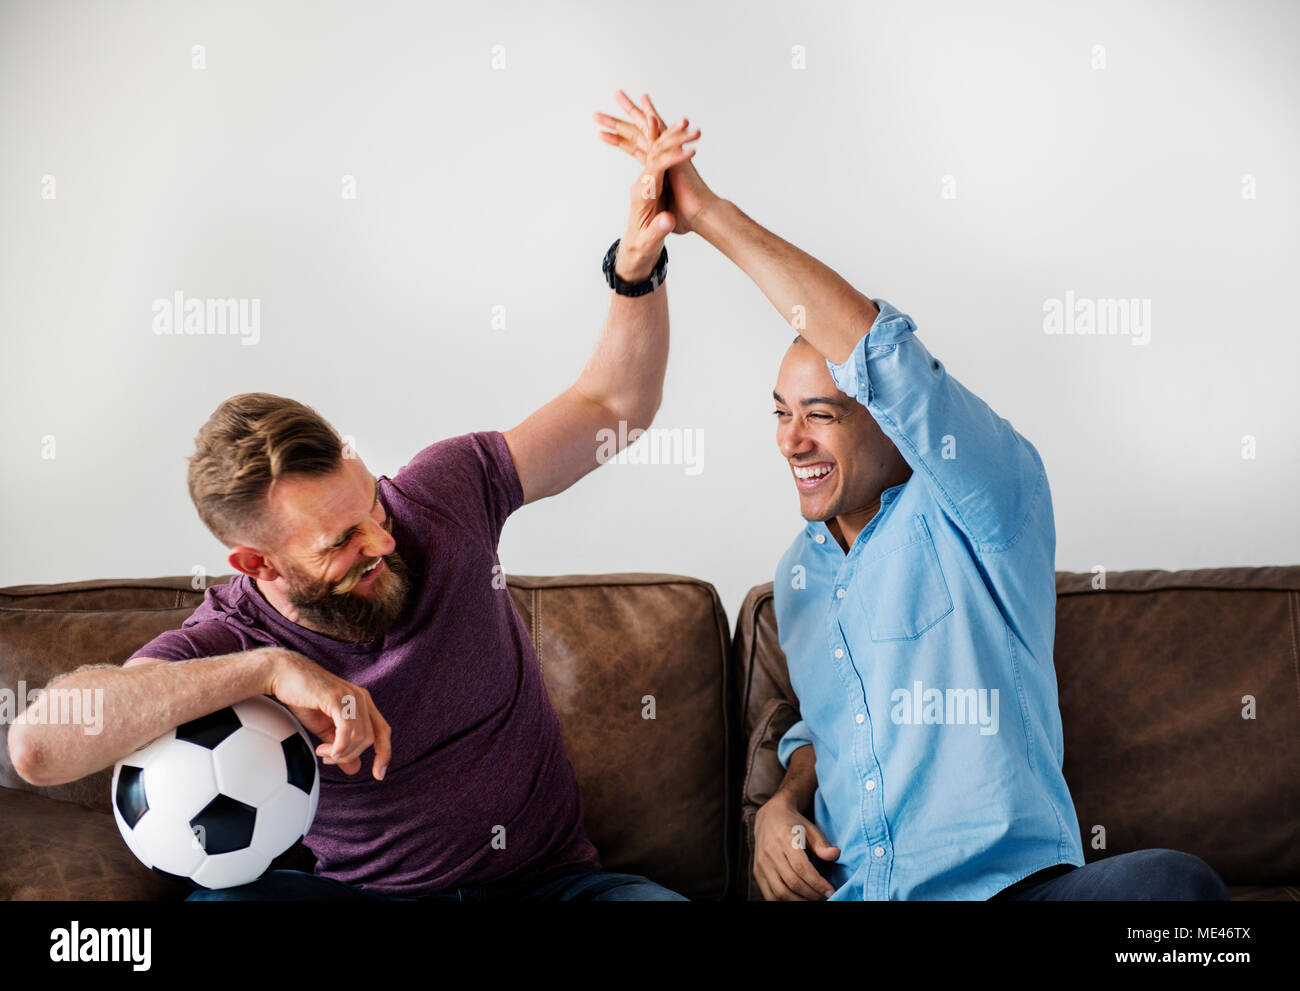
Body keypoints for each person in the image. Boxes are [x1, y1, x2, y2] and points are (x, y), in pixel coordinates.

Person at [7, 91, 699, 903]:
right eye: (337, 543)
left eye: (368, 506)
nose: (379, 539)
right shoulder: (230, 636)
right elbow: (38, 750)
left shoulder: (443, 494)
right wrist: (270, 669)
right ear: (254, 562)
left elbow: (613, 407)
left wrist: (636, 267)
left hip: (549, 886)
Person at [595, 95, 1229, 902]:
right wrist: (780, 806)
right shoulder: (799, 578)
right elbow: (833, 722)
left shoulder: (986, 500)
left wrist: (710, 216)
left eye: (822, 415)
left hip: (1012, 890)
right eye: (782, 415)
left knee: (1176, 891)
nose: (792, 442)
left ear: (893, 426)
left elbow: (880, 355)